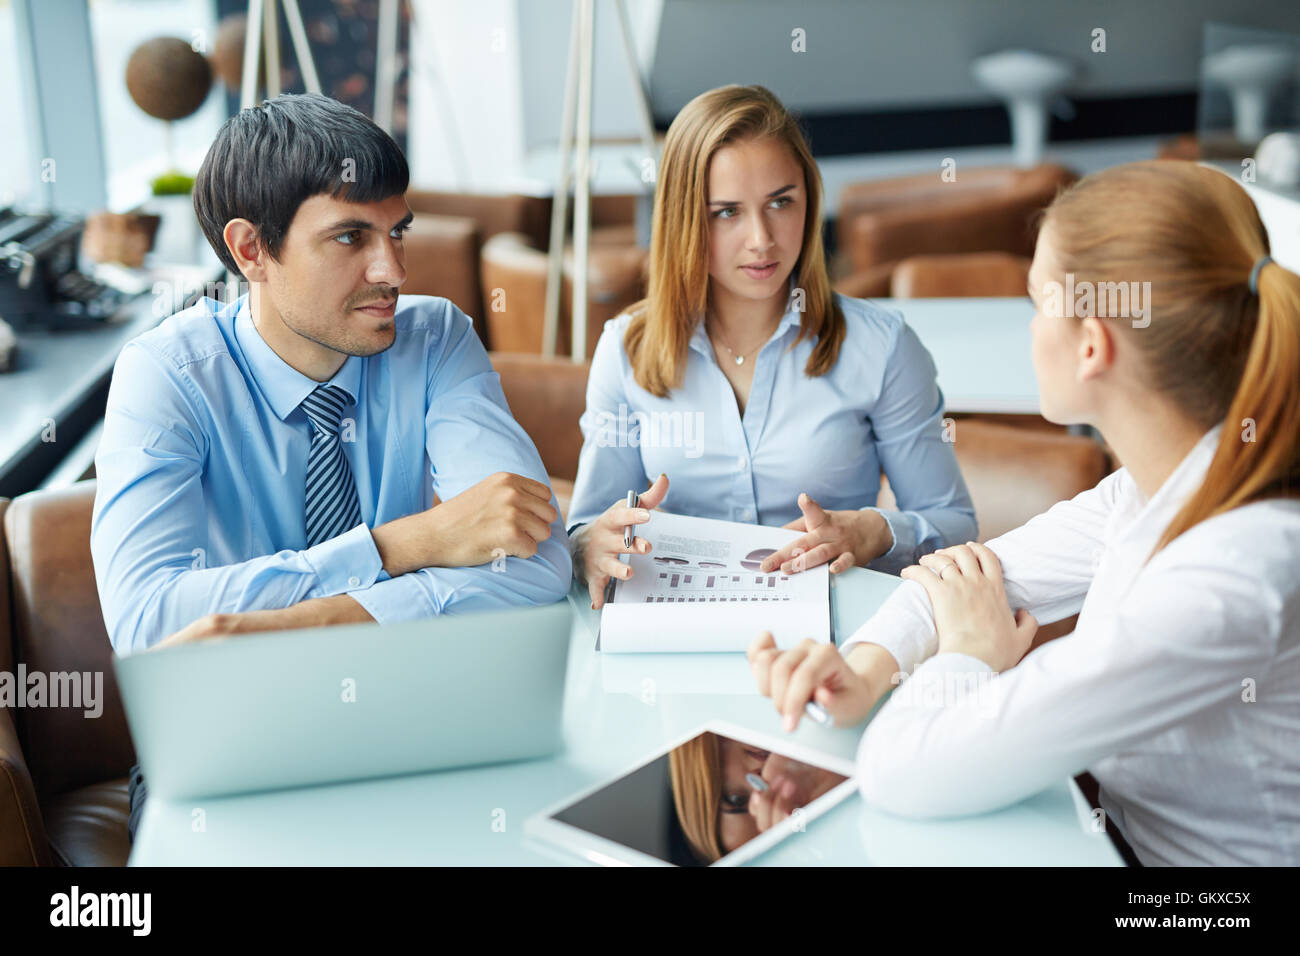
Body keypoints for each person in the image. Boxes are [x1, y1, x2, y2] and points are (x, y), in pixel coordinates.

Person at [748, 160, 1300, 866]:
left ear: (1092, 343)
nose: (1029, 326)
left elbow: (903, 770)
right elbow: (956, 579)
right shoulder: (1152, 486)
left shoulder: (1233, 576)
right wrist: (866, 669)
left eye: (1038, 303)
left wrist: (968, 655)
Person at [91, 93, 570, 837]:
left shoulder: (435, 339)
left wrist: (295, 625)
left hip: (416, 705)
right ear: (251, 250)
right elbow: (151, 625)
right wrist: (410, 544)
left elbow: (537, 564)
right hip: (232, 733)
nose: (394, 269)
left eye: (396, 231)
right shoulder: (167, 376)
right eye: (351, 237)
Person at [566, 85, 975, 609]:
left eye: (781, 202)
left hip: (835, 640)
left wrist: (871, 532)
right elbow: (586, 527)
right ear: (684, 219)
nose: (762, 238)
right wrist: (590, 546)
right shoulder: (625, 350)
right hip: (678, 629)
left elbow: (955, 526)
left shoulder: (884, 347)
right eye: (727, 213)